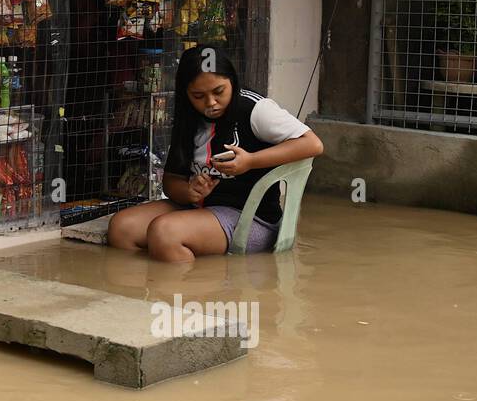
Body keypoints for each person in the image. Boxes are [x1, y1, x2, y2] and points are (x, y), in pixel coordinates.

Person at [107, 46, 324, 261]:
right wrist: (189, 191)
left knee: (165, 234)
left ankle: (195, 293)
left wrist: (250, 161)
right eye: (198, 95)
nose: (210, 103)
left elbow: (312, 144)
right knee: (121, 229)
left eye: (219, 91)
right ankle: (150, 290)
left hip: (250, 217)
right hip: (198, 208)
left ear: (232, 81)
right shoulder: (187, 119)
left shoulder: (255, 109)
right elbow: (172, 182)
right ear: (186, 94)